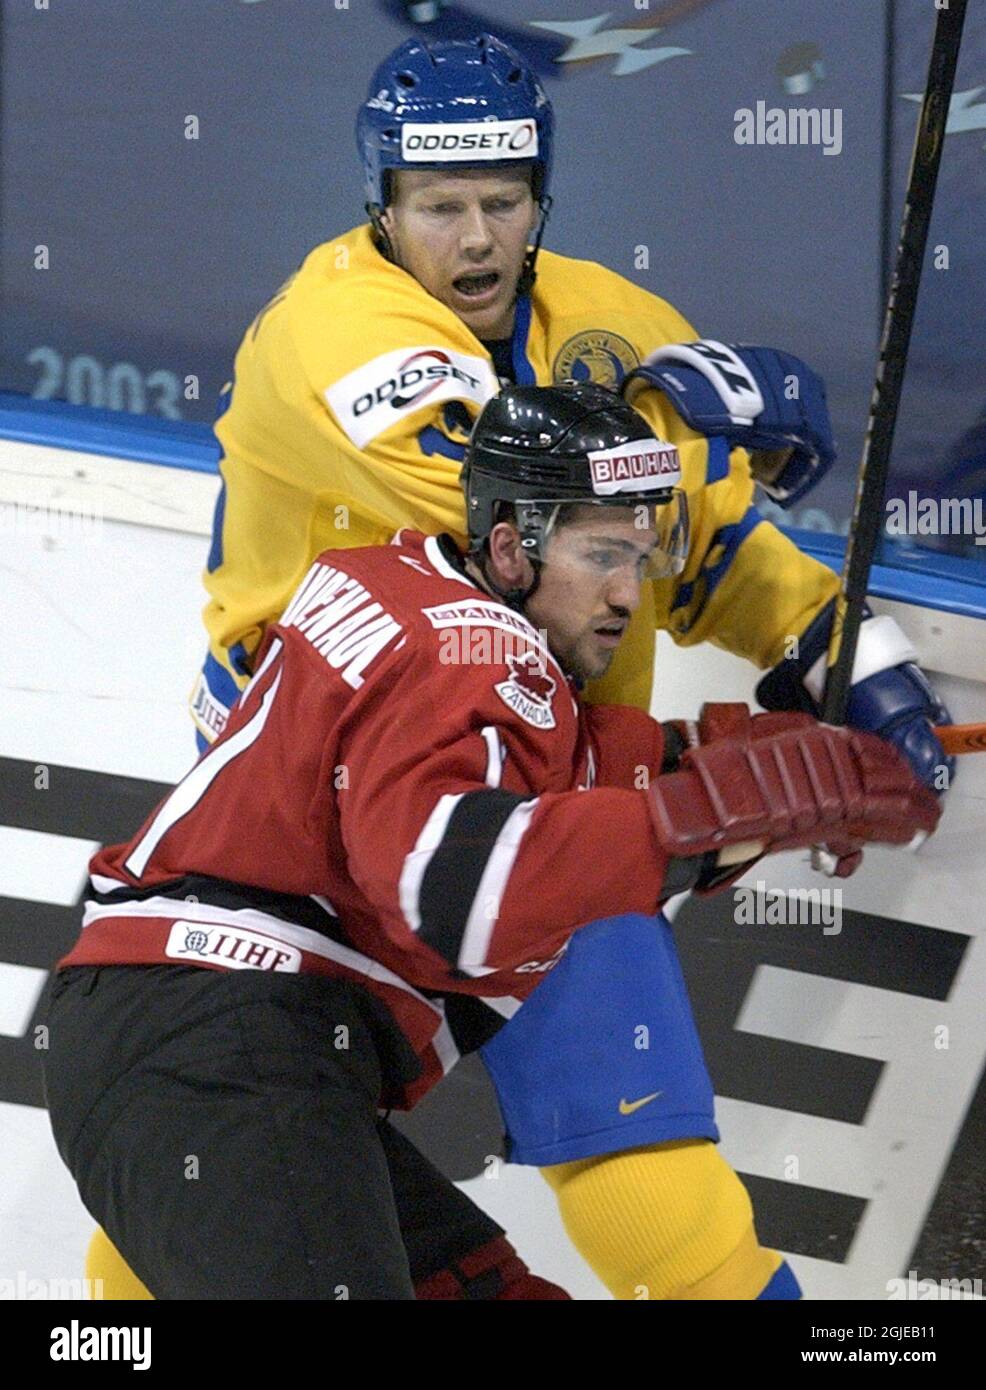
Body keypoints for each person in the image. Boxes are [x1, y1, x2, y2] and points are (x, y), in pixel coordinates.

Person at [173, 31, 955, 1300]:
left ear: (543, 197)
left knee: (656, 1187)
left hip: (541, 794)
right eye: (438, 206)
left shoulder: (611, 321)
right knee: (240, 1161)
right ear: (382, 205)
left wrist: (845, 656)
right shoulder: (332, 332)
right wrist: (690, 426)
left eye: (502, 201)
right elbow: (525, 493)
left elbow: (702, 550)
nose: (474, 240)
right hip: (301, 823)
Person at [43, 383, 940, 1300]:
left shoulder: (406, 587)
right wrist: (709, 814)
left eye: (640, 555)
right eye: (600, 555)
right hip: (219, 1039)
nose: (629, 593)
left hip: (191, 1049)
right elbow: (455, 889)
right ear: (510, 546)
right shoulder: (477, 646)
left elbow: (540, 765)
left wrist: (714, 768)